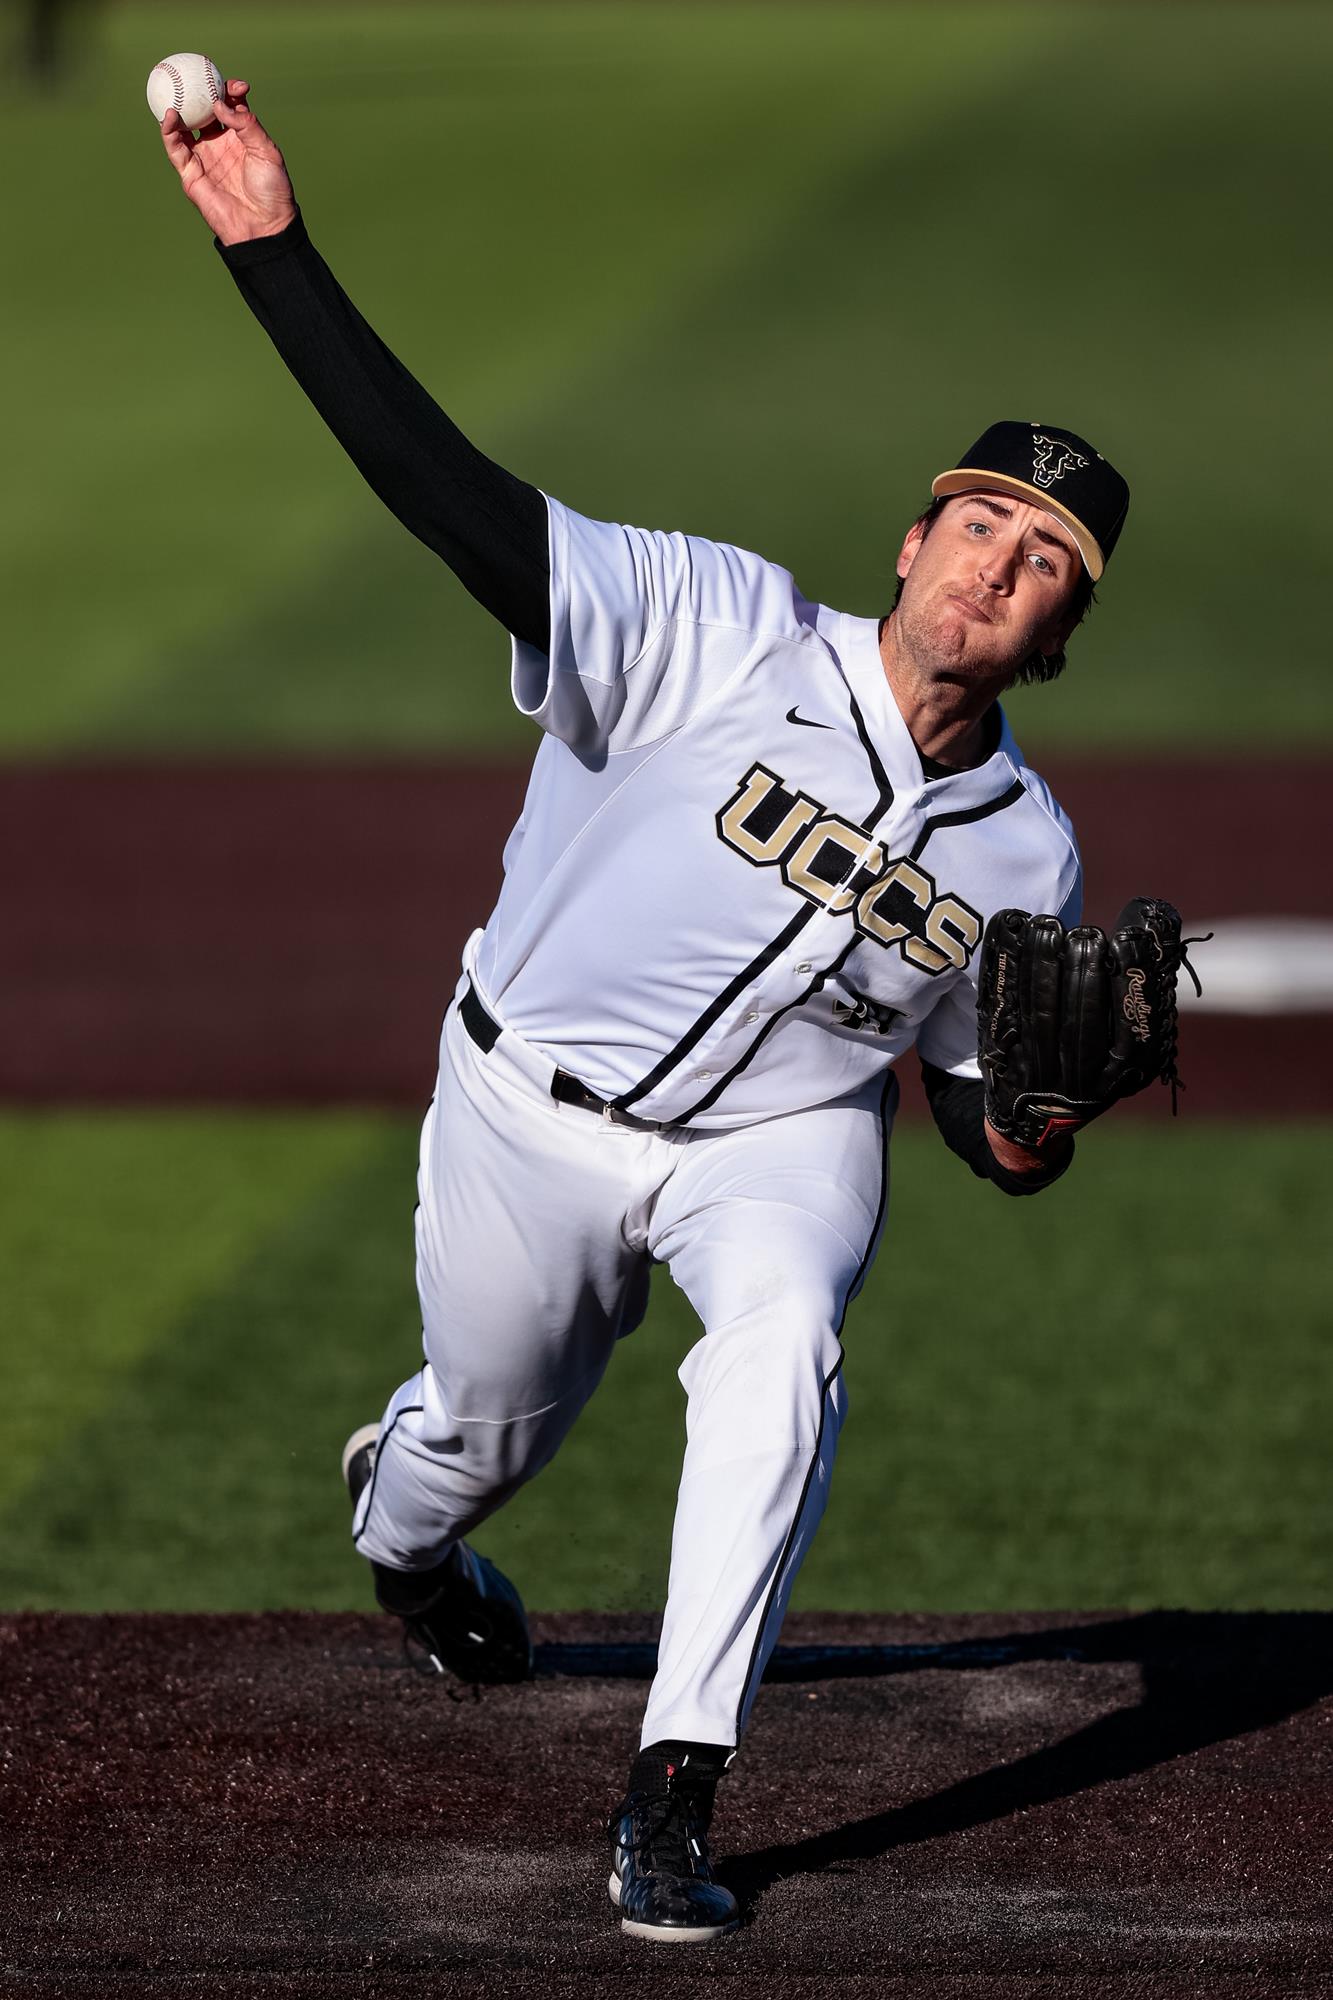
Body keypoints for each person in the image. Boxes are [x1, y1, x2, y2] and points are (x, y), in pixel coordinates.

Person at [159, 81, 1130, 1945]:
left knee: (781, 1353)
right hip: (529, 1107)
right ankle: (406, 1526)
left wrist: (1039, 1123)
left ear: (1049, 636)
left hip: (779, 1147)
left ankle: (676, 1785)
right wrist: (271, 250)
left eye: (1041, 567)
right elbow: (454, 506)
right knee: (483, 1433)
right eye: (981, 524)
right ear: (916, 535)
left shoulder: (1026, 849)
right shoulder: (714, 626)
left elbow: (982, 1119)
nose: (994, 570)